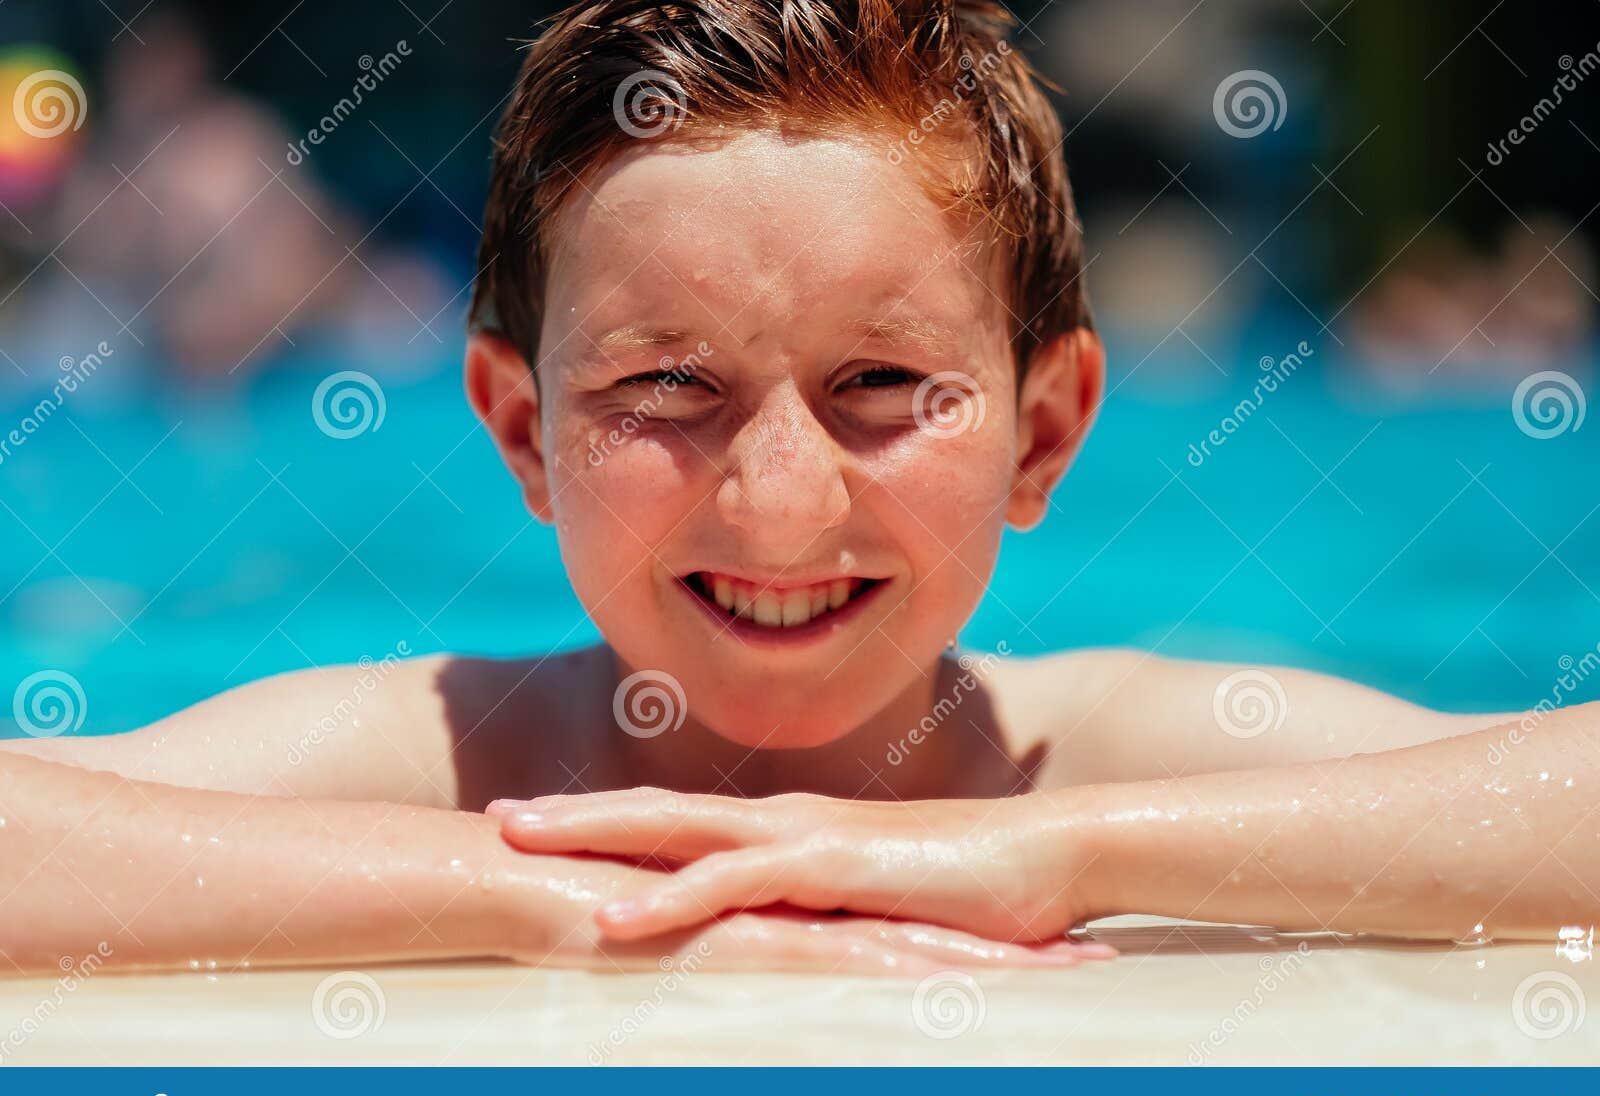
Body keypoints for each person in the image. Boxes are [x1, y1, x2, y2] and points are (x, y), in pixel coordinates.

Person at [2, 0, 1594, 977]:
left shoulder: (1090, 760)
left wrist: (1054, 851)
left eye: (883, 390)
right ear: (518, 429)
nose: (776, 505)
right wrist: (541, 894)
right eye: (667, 389)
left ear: (1046, 432)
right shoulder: (452, 760)